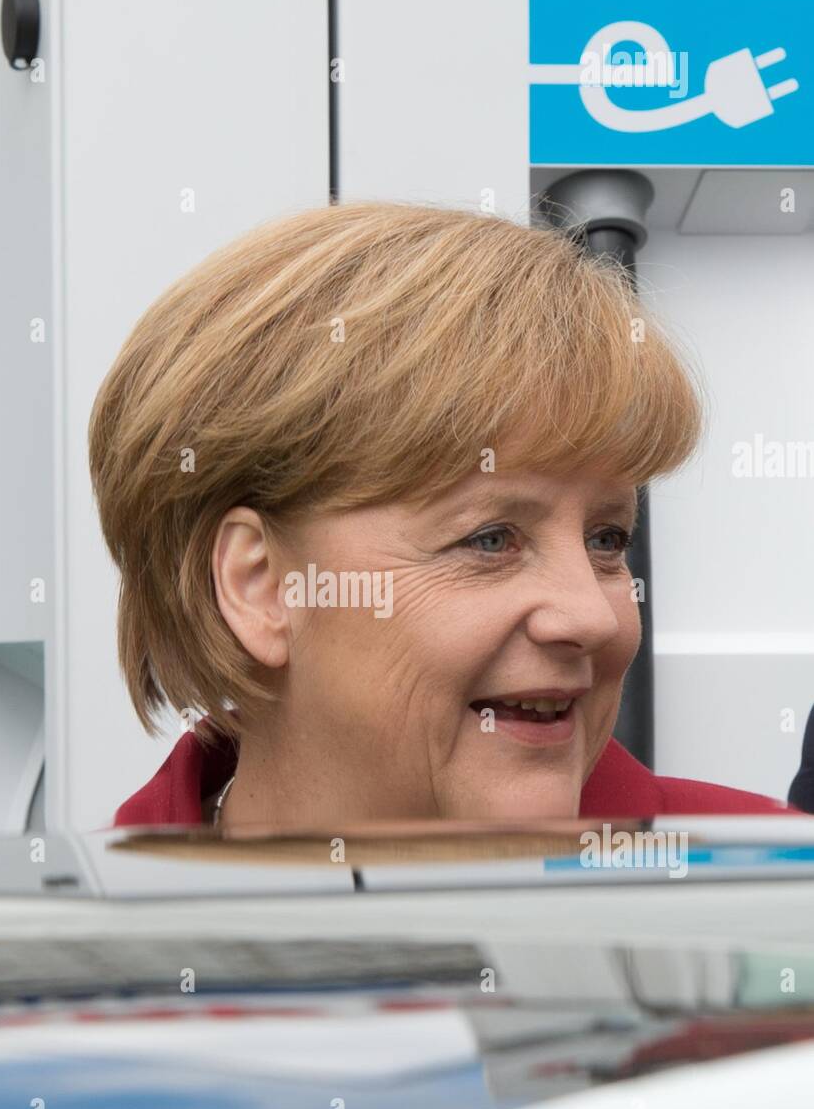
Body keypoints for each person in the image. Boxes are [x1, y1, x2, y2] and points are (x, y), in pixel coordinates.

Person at [89, 201, 799, 827]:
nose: (593, 617)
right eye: (491, 539)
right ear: (259, 586)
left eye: (606, 539)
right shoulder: (67, 953)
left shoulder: (768, 898)